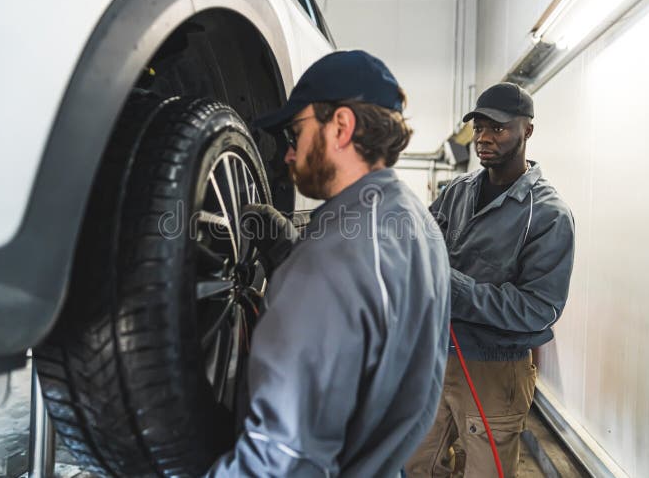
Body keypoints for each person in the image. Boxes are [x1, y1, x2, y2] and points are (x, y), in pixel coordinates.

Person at [206, 50, 451, 477]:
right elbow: (362, 324)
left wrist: (305, 270)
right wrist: (290, 254)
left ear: (341, 126)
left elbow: (281, 459)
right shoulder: (414, 221)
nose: (287, 154)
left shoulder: (332, 262)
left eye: (294, 132)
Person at [406, 82, 575, 478]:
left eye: (497, 128)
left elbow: (540, 309)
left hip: (494, 370)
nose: (483, 138)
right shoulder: (458, 192)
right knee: (415, 464)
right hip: (436, 357)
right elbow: (422, 245)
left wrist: (455, 288)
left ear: (527, 130)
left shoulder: (547, 214)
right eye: (479, 127)